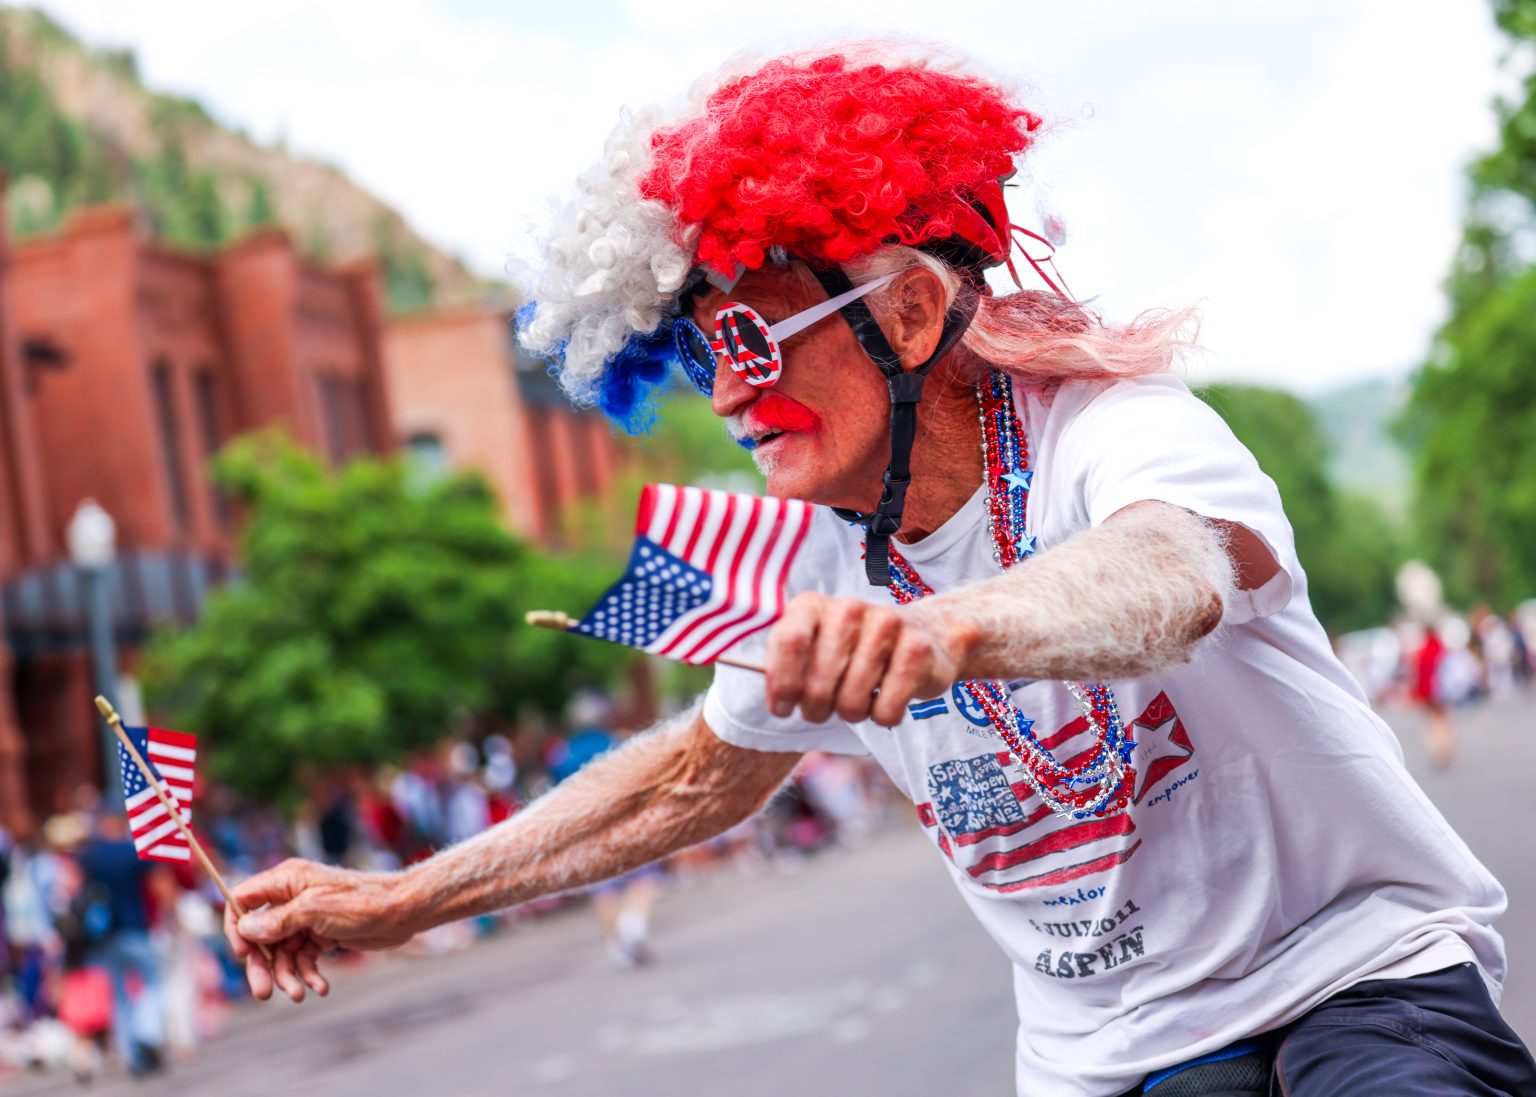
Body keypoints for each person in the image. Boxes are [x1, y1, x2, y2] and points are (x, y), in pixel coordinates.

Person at [224, 43, 1536, 1097]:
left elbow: (1169, 574)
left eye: (755, 332)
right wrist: (400, 899)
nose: (731, 387)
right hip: (1109, 1058)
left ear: (906, 312)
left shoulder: (1112, 429)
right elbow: (690, 775)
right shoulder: (808, 555)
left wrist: (951, 631)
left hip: (1356, 977)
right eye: (701, 347)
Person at [77, 813, 166, 1078]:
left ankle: (131, 1055)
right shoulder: (131, 852)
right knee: (152, 983)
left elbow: (77, 889)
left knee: (119, 996)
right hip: (136, 928)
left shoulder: (91, 856)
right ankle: (147, 1034)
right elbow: (158, 885)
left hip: (106, 934)